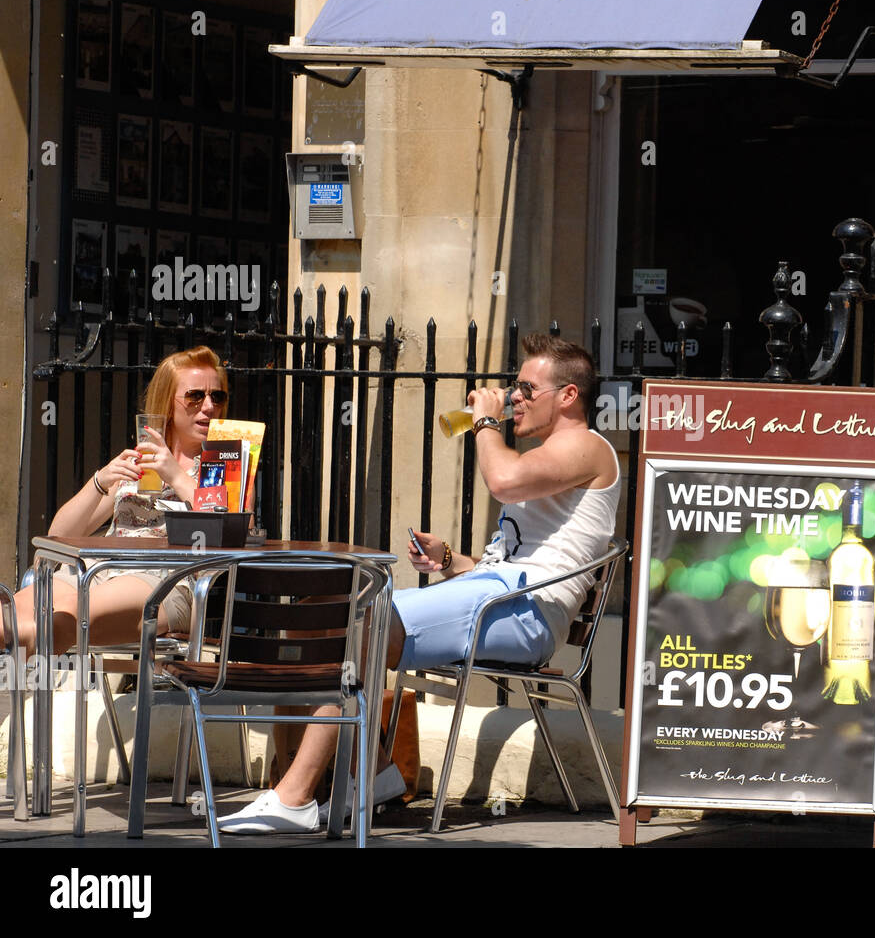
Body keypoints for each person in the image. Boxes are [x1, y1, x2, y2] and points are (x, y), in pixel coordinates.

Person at [220, 333, 620, 834]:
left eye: (526, 388)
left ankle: (295, 797)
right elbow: (509, 558)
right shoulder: (548, 456)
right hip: (502, 595)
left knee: (357, 628)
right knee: (319, 610)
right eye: (513, 388)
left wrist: (487, 422)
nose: (514, 396)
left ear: (568, 396)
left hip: (526, 612)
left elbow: (504, 482)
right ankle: (375, 776)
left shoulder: (585, 446)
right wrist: (451, 559)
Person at [10, 345, 230, 658]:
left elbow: (232, 528)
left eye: (217, 397)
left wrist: (178, 477)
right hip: (99, 568)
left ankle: (28, 640)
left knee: (67, 613)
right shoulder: (140, 461)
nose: (208, 406)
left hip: (165, 579)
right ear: (168, 402)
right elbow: (55, 537)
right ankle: (22, 637)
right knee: (18, 609)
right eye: (195, 396)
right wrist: (99, 482)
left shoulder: (223, 461)